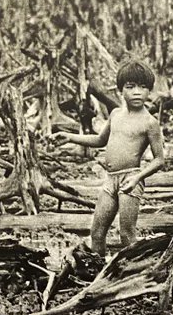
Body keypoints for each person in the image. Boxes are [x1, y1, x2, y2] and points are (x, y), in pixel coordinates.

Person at [56, 58, 165, 258]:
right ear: (120, 90)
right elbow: (100, 140)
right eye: (131, 87)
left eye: (143, 87)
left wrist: (137, 178)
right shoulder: (115, 114)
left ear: (150, 91)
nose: (137, 92)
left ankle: (134, 276)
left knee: (126, 233)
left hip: (130, 179)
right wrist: (70, 137)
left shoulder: (150, 122)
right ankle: (98, 272)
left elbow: (160, 159)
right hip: (110, 180)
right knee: (97, 232)